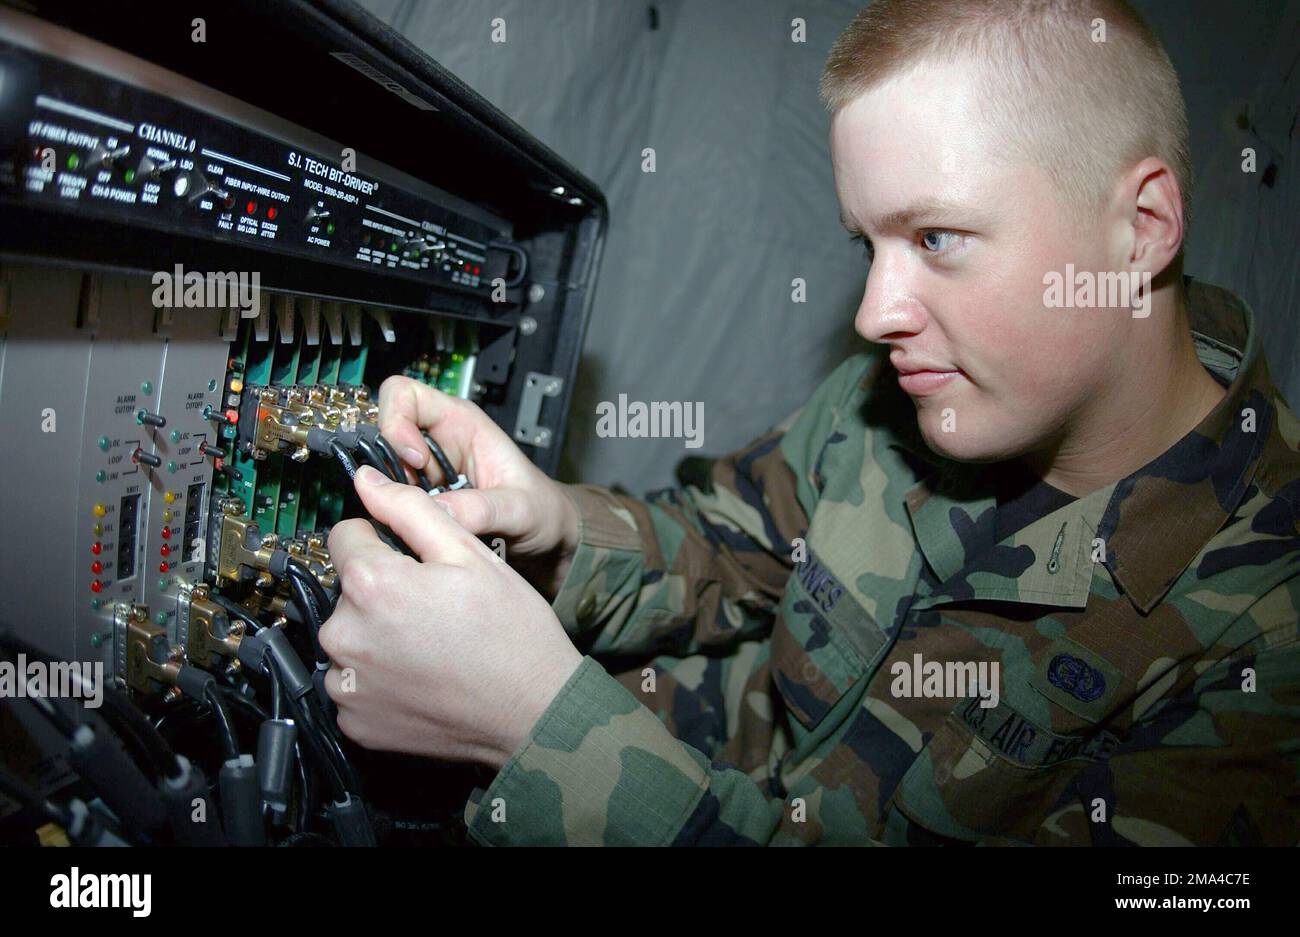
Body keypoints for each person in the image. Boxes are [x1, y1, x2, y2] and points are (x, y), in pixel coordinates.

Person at [317, 0, 1300, 845]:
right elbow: (728, 546)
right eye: (865, 244)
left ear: (1139, 230)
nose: (875, 315)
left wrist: (537, 724)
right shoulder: (900, 399)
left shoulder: (1268, 641)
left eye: (935, 237)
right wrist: (556, 526)